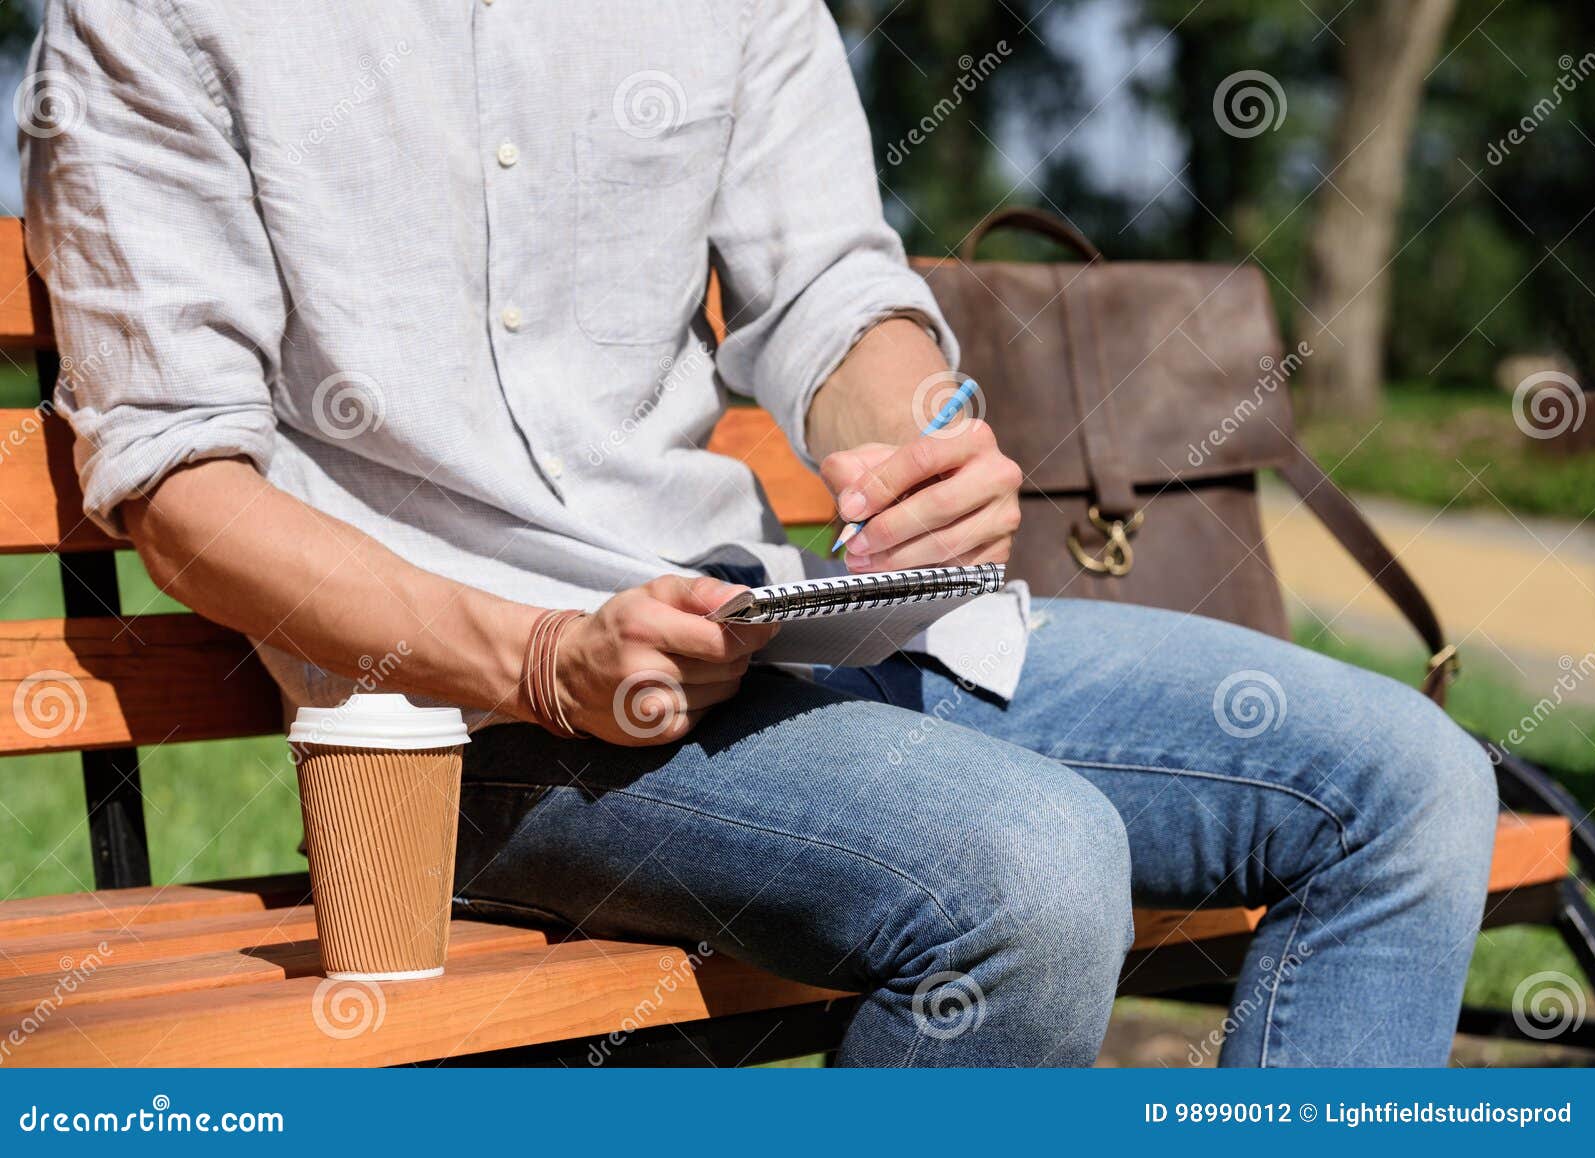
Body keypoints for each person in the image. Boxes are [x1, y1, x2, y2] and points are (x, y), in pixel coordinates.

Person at [22, 0, 1496, 1066]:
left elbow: (833, 296)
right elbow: (183, 489)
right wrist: (542, 657)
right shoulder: (161, 17)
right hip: (463, 722)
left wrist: (923, 430)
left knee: (1411, 781)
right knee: (1030, 872)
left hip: (769, 629)